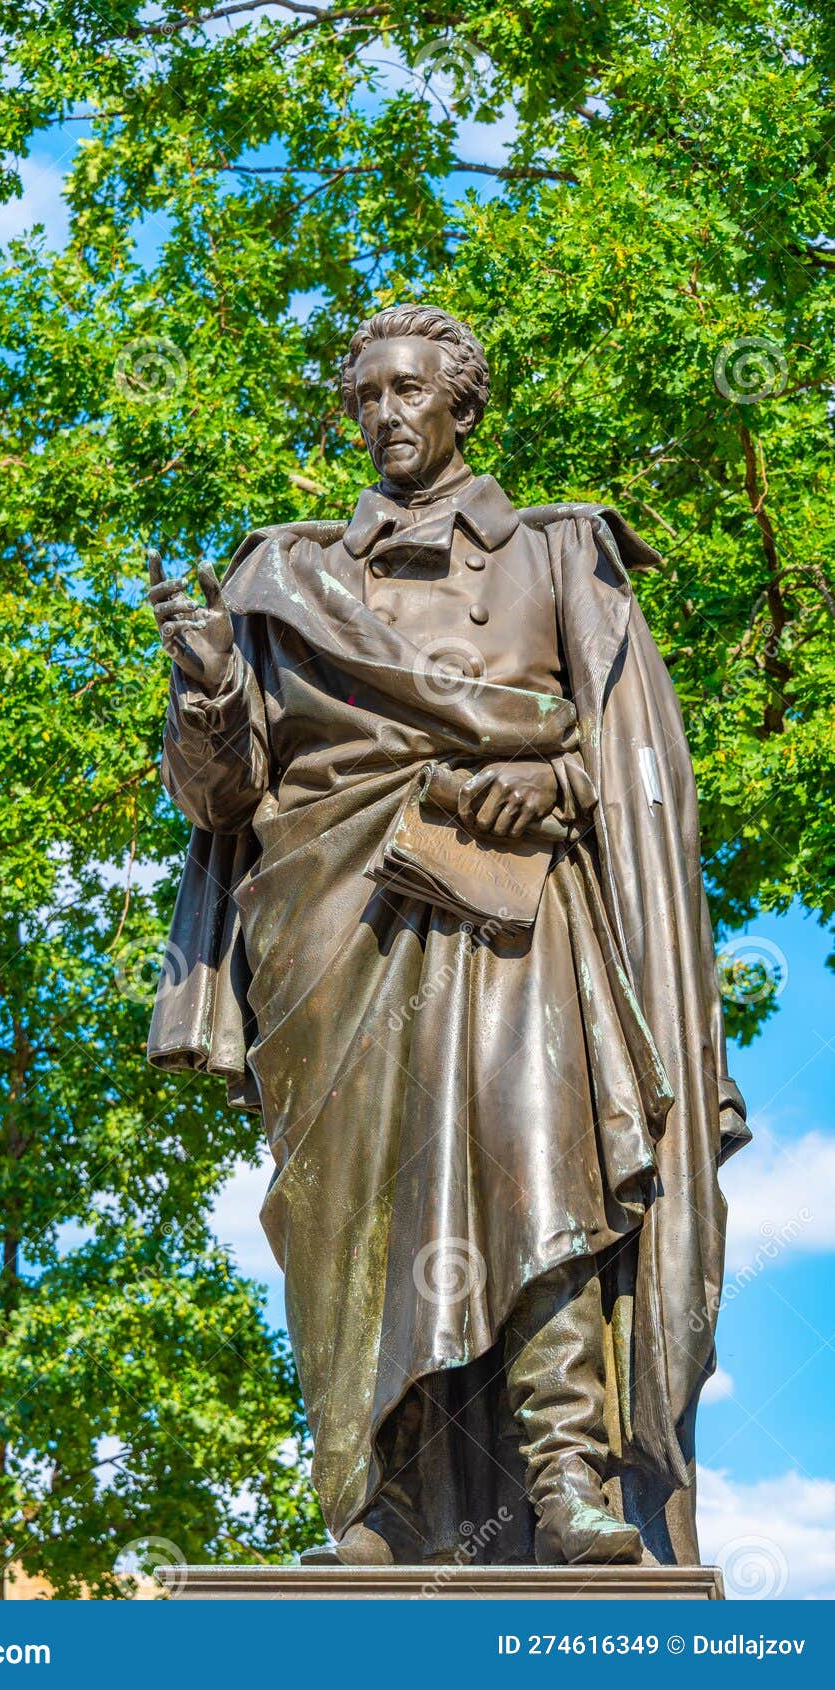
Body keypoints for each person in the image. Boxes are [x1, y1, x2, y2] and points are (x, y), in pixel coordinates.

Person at [147, 305, 748, 1567]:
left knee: (545, 1172)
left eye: (410, 391)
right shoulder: (284, 572)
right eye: (364, 397)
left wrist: (564, 785)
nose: (385, 416)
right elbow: (222, 799)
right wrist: (207, 687)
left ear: (464, 405)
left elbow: (637, 765)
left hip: (513, 903)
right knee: (353, 1211)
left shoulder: (555, 556)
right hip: (333, 922)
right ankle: (375, 1502)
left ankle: (567, 1473)